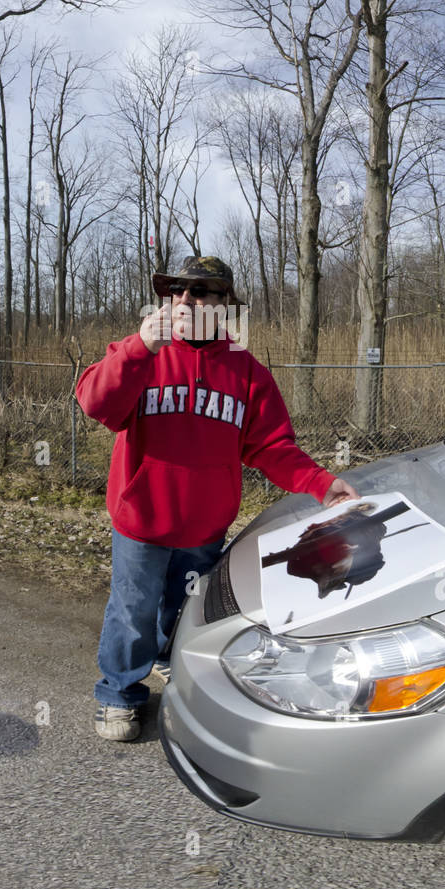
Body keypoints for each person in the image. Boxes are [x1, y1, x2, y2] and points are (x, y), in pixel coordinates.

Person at [75, 253, 357, 744]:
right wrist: (141, 347)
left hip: (204, 526)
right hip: (142, 518)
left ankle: (166, 660)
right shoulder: (141, 351)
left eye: (201, 291)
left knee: (183, 608)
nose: (186, 299)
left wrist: (321, 483)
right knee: (132, 609)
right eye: (177, 290)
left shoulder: (246, 373)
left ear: (226, 304)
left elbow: (272, 447)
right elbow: (95, 403)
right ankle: (119, 693)